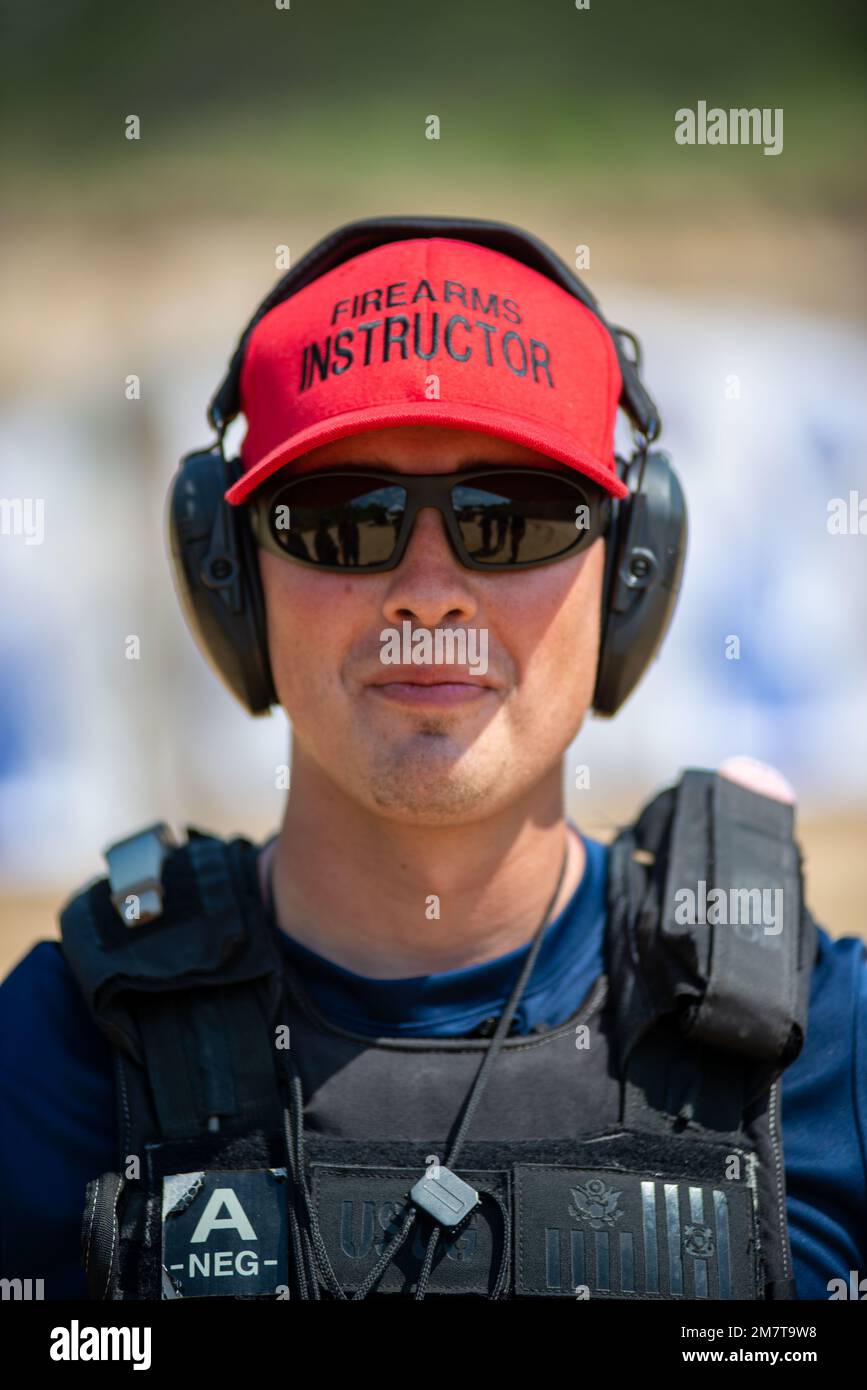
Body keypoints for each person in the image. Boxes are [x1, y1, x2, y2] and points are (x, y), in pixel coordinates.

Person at [1, 217, 864, 1304]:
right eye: (338, 518)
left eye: (516, 517)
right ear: (230, 577)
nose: (428, 587)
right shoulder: (55, 1058)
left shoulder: (822, 1053)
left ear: (631, 571)